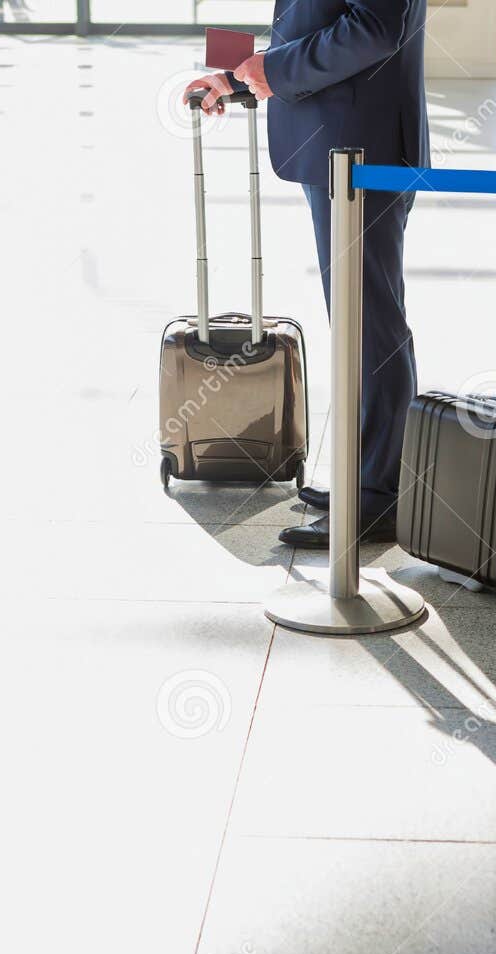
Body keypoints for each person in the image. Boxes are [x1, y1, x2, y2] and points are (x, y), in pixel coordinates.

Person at [184, 1, 429, 548]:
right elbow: (320, 21)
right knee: (358, 317)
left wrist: (274, 71)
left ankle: (379, 495)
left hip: (363, 149)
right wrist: (238, 77)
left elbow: (374, 29)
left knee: (371, 324)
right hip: (340, 139)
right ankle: (366, 476)